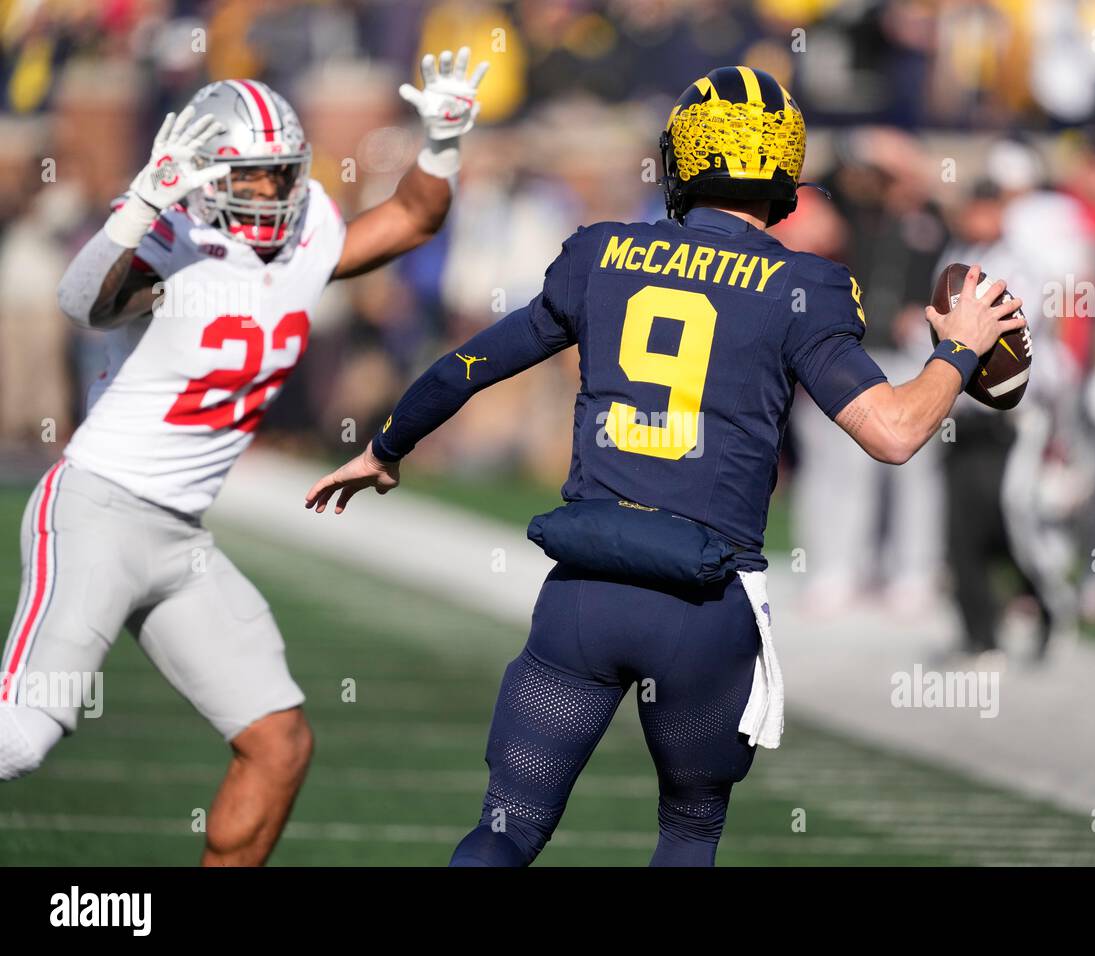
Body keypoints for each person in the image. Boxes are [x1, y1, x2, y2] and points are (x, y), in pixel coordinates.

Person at [305, 66, 1025, 866]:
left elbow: (467, 366)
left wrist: (386, 448)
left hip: (585, 591)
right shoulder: (804, 286)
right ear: (786, 172)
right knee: (687, 832)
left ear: (680, 159)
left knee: (504, 833)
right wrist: (959, 349)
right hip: (703, 608)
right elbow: (893, 432)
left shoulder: (602, 253)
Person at [0, 48, 490, 867]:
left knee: (278, 741)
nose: (271, 193)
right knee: (20, 738)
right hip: (95, 511)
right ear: (204, 175)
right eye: (251, 176)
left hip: (179, 539)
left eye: (280, 174)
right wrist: (136, 208)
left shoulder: (307, 238)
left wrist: (440, 144)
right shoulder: (172, 235)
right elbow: (81, 303)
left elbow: (411, 218)